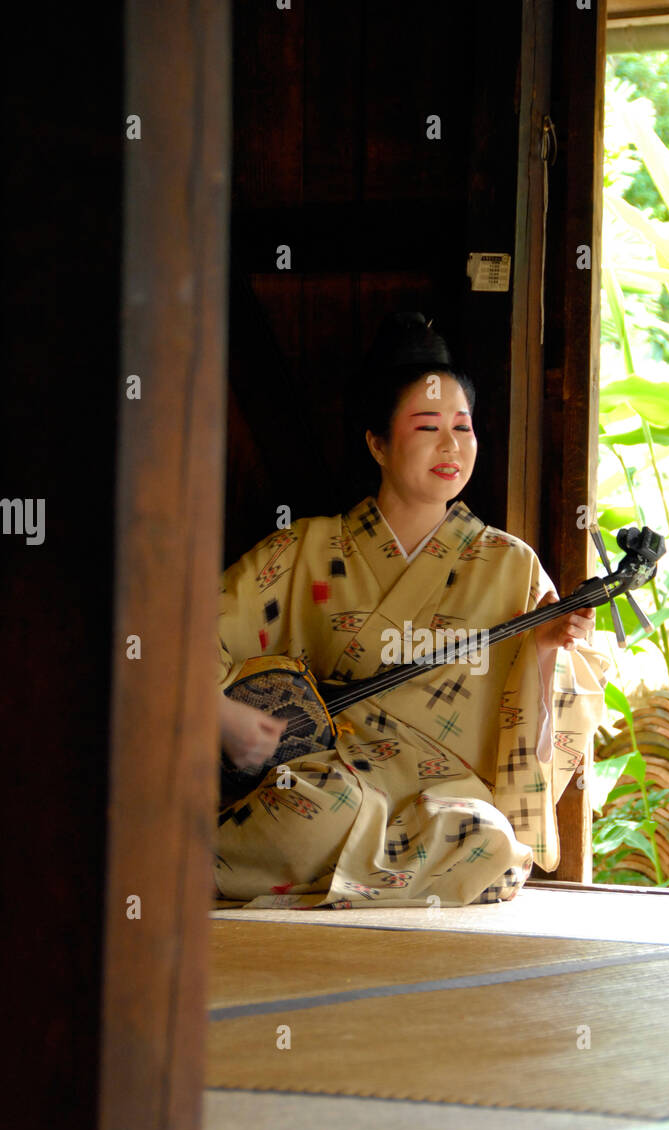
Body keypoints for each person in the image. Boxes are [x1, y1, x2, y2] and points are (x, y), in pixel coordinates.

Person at [215, 312, 609, 908]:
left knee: (490, 841)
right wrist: (221, 712)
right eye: (428, 426)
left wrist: (544, 647)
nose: (452, 446)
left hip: (440, 793)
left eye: (463, 426)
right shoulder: (305, 550)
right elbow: (189, 634)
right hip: (332, 776)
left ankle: (334, 882)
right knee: (319, 811)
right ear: (377, 442)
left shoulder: (511, 564)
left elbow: (552, 703)